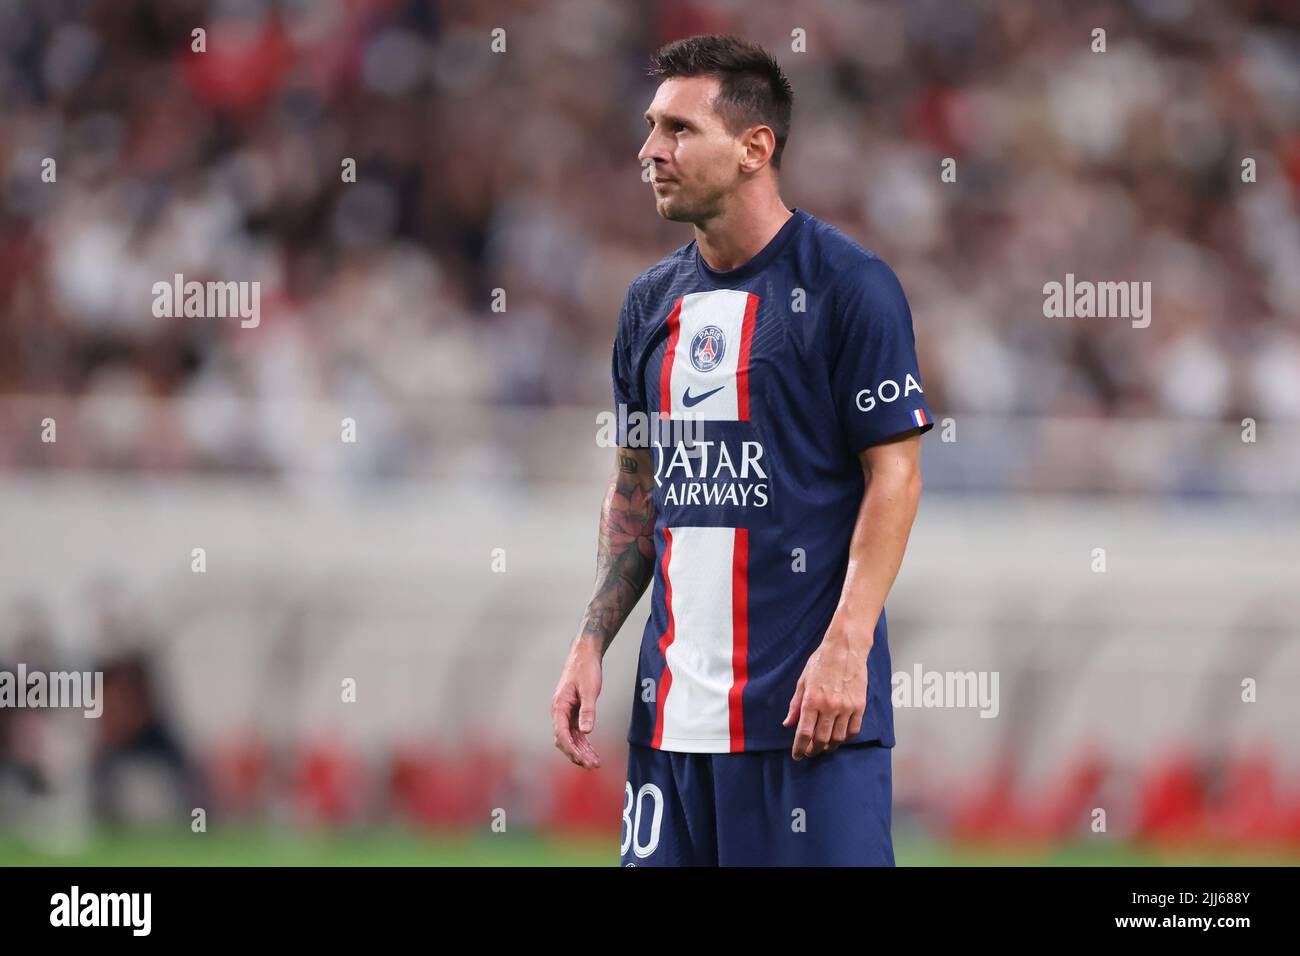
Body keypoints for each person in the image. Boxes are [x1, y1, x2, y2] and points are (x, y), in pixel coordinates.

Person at [551, 34, 932, 866]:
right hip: (669, 725)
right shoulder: (649, 304)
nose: (650, 150)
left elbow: (895, 472)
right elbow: (637, 493)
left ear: (755, 147)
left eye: (679, 130)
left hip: (809, 719)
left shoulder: (849, 287)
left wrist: (847, 645)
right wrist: (591, 641)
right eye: (652, 127)